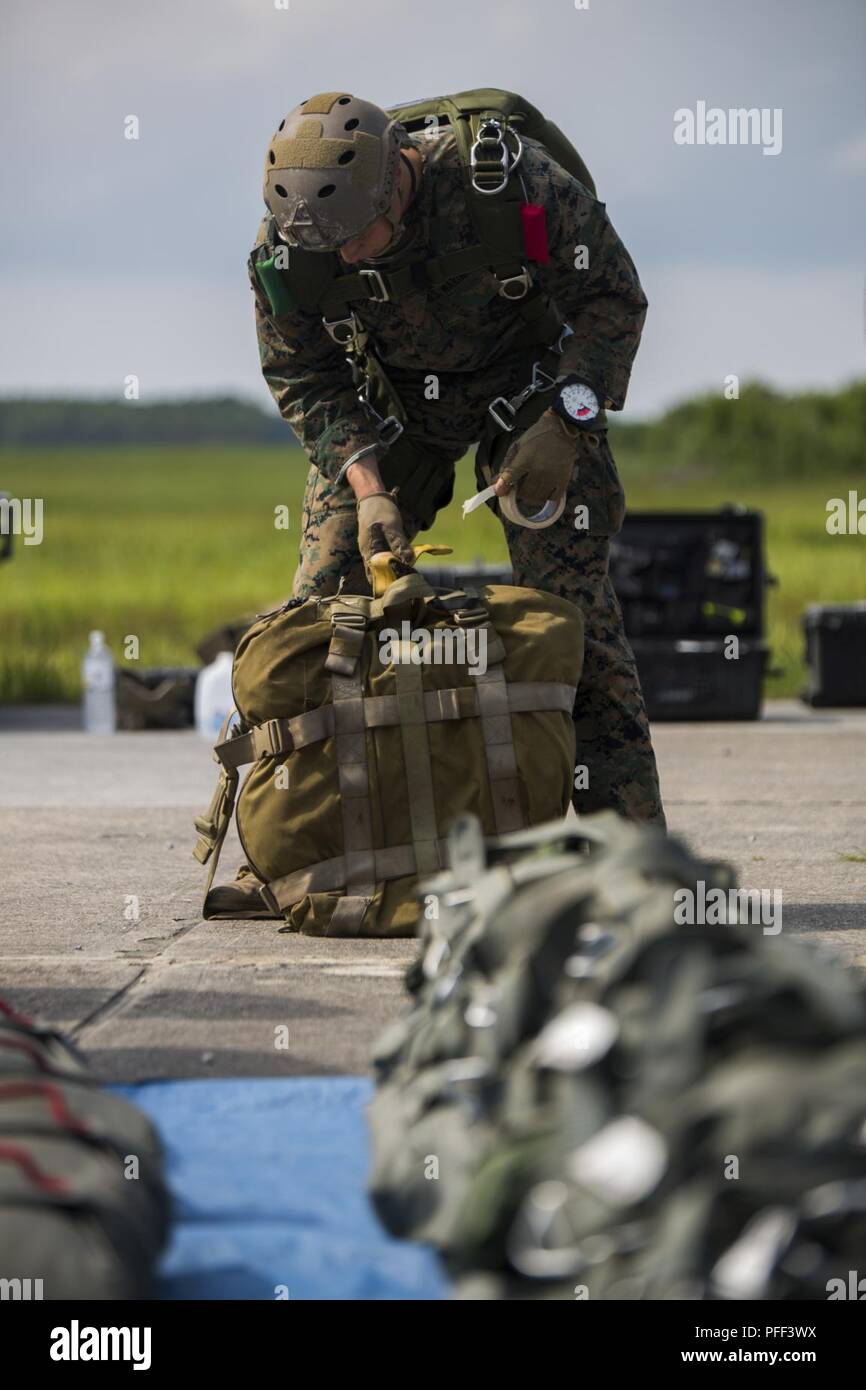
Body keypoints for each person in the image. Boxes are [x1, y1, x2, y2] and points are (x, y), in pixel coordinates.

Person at [248, 92, 664, 825]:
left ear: (397, 184)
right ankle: (301, 836)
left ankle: (627, 845)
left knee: (571, 613)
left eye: (358, 236)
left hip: (536, 394)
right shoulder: (293, 242)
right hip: (392, 411)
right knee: (319, 613)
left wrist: (566, 423)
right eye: (328, 245)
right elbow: (304, 376)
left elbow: (612, 300)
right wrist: (368, 487)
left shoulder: (509, 185)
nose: (342, 254)